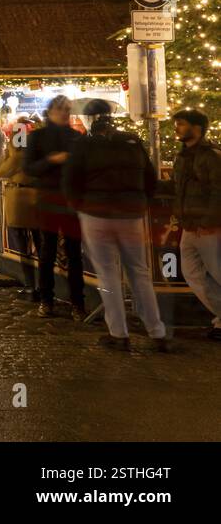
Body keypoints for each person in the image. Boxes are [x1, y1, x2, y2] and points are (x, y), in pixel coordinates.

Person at [63, 99, 169, 350]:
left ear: (90, 120)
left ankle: (118, 333)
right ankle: (156, 331)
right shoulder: (131, 142)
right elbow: (150, 177)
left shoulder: (84, 145)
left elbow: (71, 180)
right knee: (139, 272)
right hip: (131, 214)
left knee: (108, 275)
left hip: (96, 213)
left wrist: (78, 206)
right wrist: (140, 202)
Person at [24, 95, 86, 320]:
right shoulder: (37, 137)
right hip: (48, 200)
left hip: (70, 203)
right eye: (60, 110)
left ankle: (78, 303)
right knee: (47, 253)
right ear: (50, 112)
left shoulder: (77, 137)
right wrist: (52, 160)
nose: (64, 114)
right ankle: (46, 300)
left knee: (74, 254)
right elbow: (29, 168)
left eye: (67, 110)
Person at [171, 108, 221, 341]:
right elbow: (178, 188)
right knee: (192, 273)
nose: (177, 128)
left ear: (196, 127)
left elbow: (218, 190)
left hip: (208, 227)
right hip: (190, 225)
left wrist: (210, 221)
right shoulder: (182, 156)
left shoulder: (211, 155)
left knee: (217, 273)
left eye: (181, 123)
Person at [0, 115, 42, 300]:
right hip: (37, 196)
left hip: (20, 199)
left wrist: (9, 154)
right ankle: (41, 285)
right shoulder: (38, 141)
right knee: (40, 243)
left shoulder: (19, 145)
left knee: (23, 245)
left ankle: (31, 286)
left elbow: (3, 169)